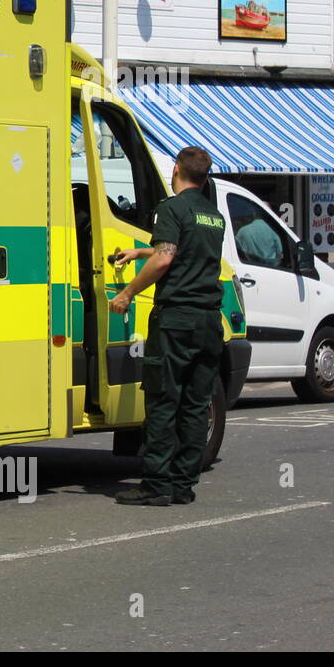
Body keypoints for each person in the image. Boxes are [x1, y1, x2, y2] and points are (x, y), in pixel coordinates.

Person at [108, 146, 226, 505]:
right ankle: (182, 485)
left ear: (176, 169)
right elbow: (184, 251)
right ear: (204, 177)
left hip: (176, 320)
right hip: (209, 321)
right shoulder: (213, 216)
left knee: (162, 400)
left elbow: (166, 258)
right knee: (195, 403)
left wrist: (127, 293)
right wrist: (139, 252)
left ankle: (156, 485)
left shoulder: (170, 208)